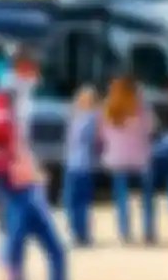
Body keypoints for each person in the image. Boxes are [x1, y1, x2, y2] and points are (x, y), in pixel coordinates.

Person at [0, 58, 75, 280]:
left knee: (17, 237)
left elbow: (5, 139)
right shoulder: (8, 98)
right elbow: (5, 137)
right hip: (19, 180)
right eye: (33, 72)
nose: (35, 78)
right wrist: (27, 169)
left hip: (16, 178)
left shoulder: (6, 97)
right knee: (38, 240)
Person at [101, 75, 157, 245]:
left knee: (122, 197)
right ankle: (148, 233)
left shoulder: (110, 109)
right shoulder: (140, 109)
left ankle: (125, 232)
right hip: (140, 159)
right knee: (146, 198)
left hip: (118, 159)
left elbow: (103, 134)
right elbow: (151, 128)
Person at [62, 85, 100, 247]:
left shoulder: (91, 118)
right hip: (75, 164)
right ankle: (79, 233)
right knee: (75, 201)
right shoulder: (77, 117)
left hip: (82, 165)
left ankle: (80, 234)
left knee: (77, 201)